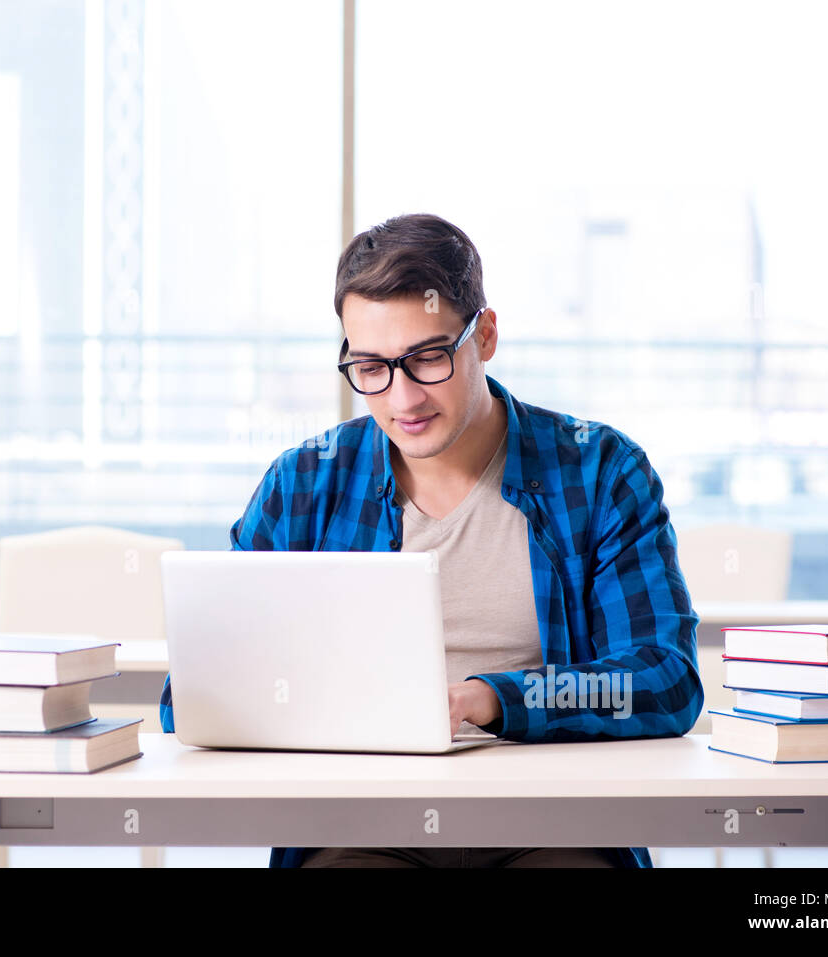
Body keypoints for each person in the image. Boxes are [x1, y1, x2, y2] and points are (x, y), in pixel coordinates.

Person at [158, 213, 704, 868]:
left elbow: (665, 679)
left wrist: (493, 700)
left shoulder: (600, 470)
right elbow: (194, 694)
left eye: (427, 357)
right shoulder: (306, 482)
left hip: (553, 818)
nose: (402, 396)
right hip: (361, 822)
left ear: (487, 335)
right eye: (371, 367)